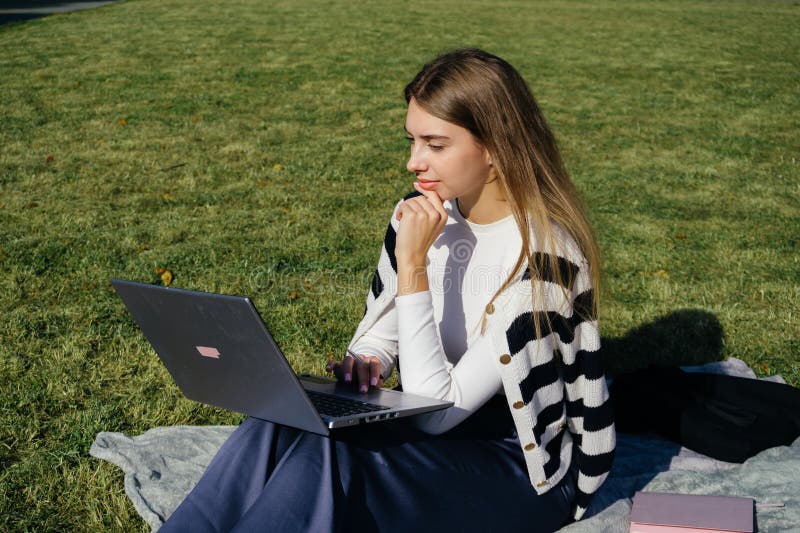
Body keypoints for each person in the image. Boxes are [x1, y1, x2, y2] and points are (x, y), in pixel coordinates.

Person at [160, 47, 615, 533]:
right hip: (430, 427)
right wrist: (370, 361)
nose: (412, 161)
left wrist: (414, 265)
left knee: (328, 461)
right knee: (284, 420)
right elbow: (383, 329)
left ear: (496, 149)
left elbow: (435, 417)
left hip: (517, 466)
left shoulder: (546, 259)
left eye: (435, 144)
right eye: (412, 140)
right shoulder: (421, 214)